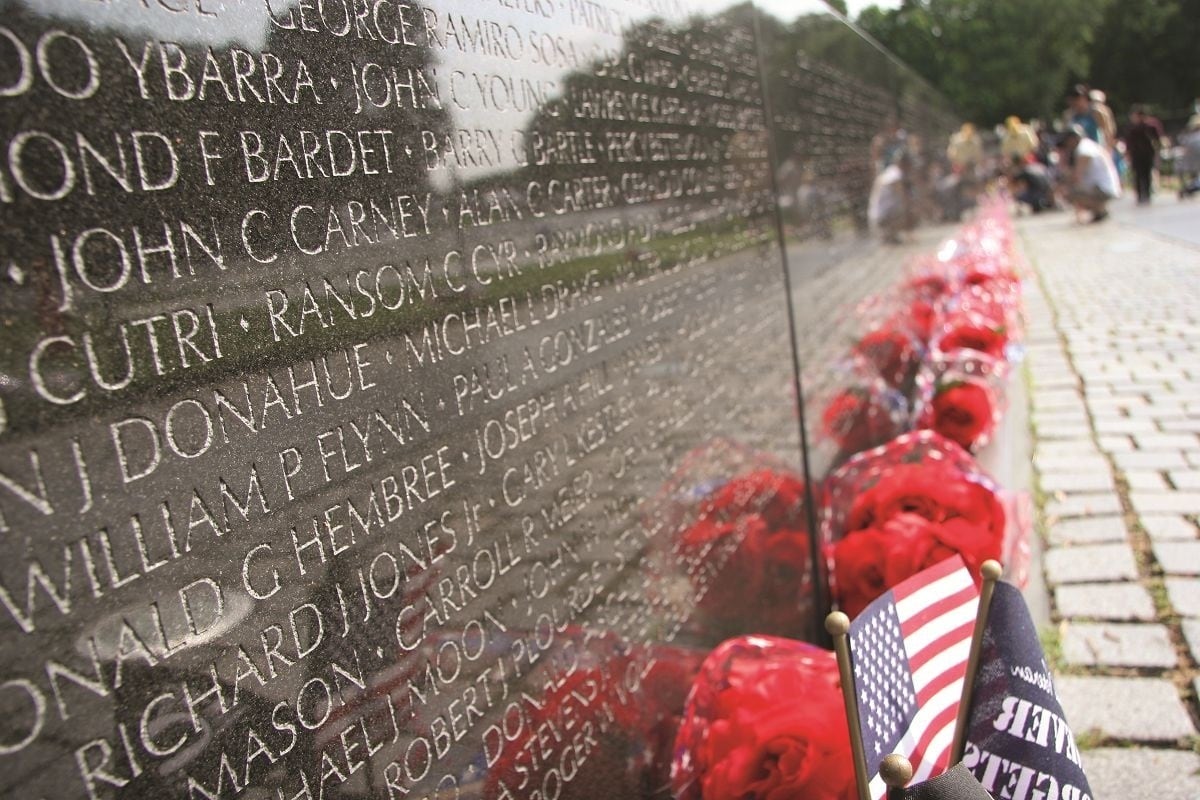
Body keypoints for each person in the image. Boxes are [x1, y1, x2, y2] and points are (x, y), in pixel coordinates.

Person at [1056, 126, 1121, 222]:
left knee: (1069, 192)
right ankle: (1098, 210)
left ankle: (1099, 209)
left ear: (1072, 139)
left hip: (1103, 188)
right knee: (1072, 188)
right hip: (1103, 186)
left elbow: (1076, 177)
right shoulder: (1088, 145)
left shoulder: (1084, 150)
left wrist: (1058, 186)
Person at [1123, 105, 1165, 204]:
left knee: (1145, 174)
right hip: (1139, 154)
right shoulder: (1132, 128)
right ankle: (1142, 194)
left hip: (1145, 153)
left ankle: (1145, 193)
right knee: (1140, 174)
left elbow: (1157, 140)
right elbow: (1128, 143)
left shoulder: (1149, 127)